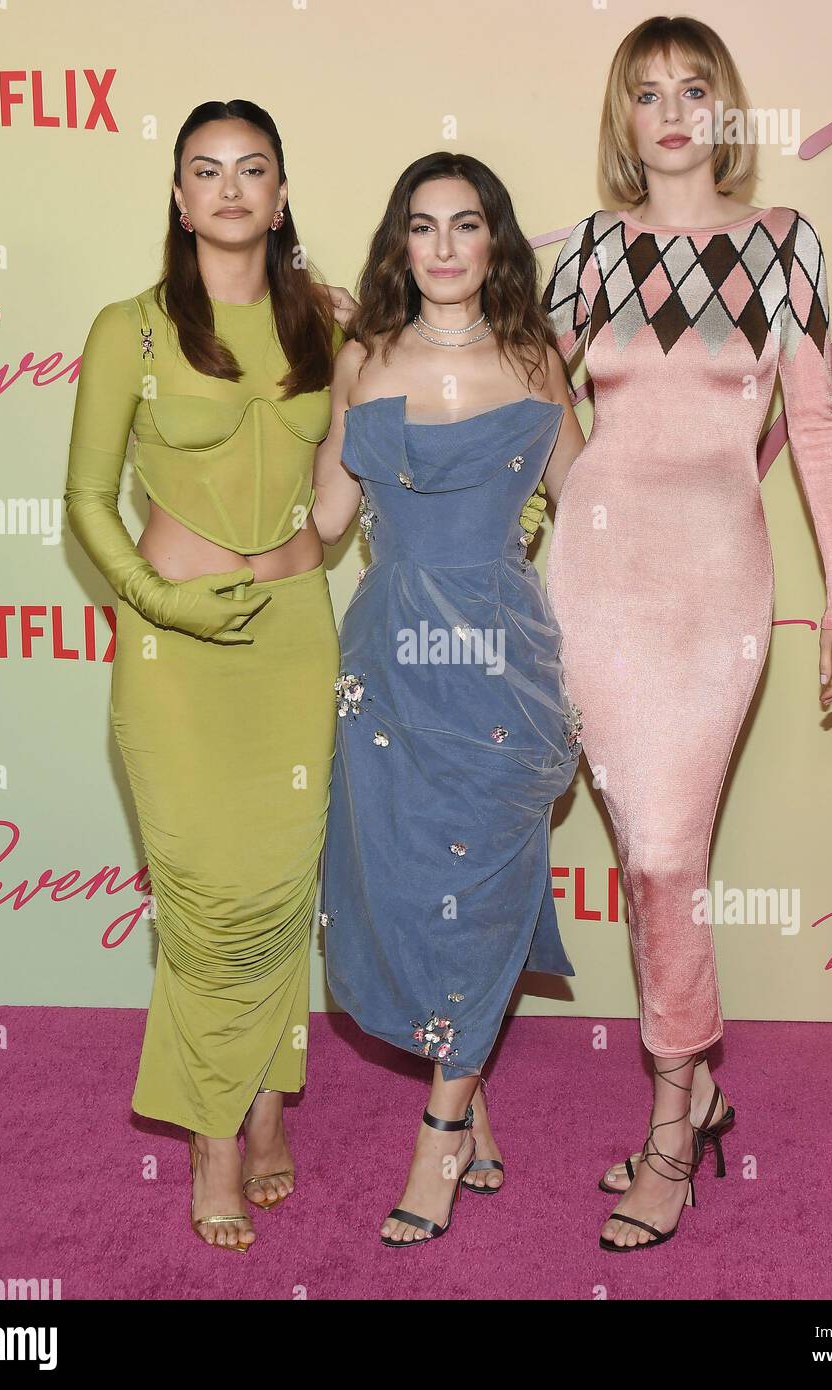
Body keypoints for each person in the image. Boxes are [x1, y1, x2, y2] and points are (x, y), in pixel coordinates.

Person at [539, 16, 832, 1249]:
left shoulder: (782, 245)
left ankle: (672, 1125)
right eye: (645, 93)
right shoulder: (585, 253)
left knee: (669, 855)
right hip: (596, 581)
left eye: (691, 88)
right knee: (641, 858)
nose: (671, 111)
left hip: (718, 583)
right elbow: (529, 384)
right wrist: (563, 500)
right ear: (620, 118)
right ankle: (693, 1087)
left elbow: (816, 429)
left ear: (722, 106)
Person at [63, 99, 352, 1252]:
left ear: (280, 197)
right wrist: (158, 599)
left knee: (280, 896)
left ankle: (269, 1103)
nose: (230, 188)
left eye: (253, 169)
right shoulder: (125, 329)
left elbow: (340, 496)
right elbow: (86, 501)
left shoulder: (327, 326)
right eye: (205, 171)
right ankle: (214, 1139)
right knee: (202, 905)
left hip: (290, 639)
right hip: (172, 649)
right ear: (179, 199)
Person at [311, 152, 585, 1246]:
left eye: (463, 225)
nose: (440, 245)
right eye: (420, 226)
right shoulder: (360, 359)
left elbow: (590, 502)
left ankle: (438, 1131)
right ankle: (465, 1085)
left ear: (492, 243)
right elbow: (328, 521)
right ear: (399, 244)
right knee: (412, 880)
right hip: (384, 660)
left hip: (502, 659)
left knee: (488, 877)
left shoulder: (534, 357)